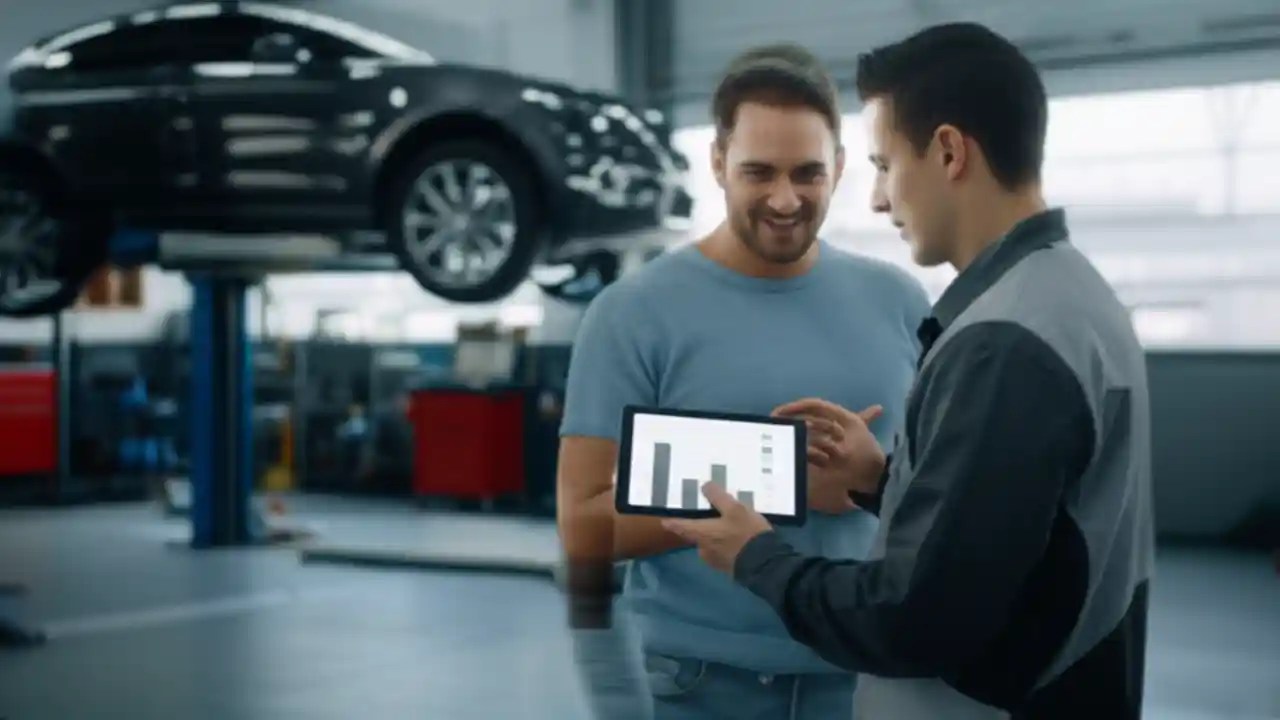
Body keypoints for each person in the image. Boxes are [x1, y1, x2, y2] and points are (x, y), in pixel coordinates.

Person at [662, 22, 1154, 720]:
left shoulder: (1005, 343)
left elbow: (912, 621)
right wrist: (882, 480)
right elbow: (1026, 536)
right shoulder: (1070, 295)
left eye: (885, 164)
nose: (878, 198)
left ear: (949, 151)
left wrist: (757, 557)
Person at [556, 44, 930, 719]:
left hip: (864, 680)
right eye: (759, 172)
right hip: (697, 684)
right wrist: (782, 482)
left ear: (840, 167)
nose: (785, 200)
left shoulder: (900, 302)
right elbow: (582, 527)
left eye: (808, 173)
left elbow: (938, 496)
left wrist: (874, 479)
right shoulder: (632, 312)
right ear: (718, 163)